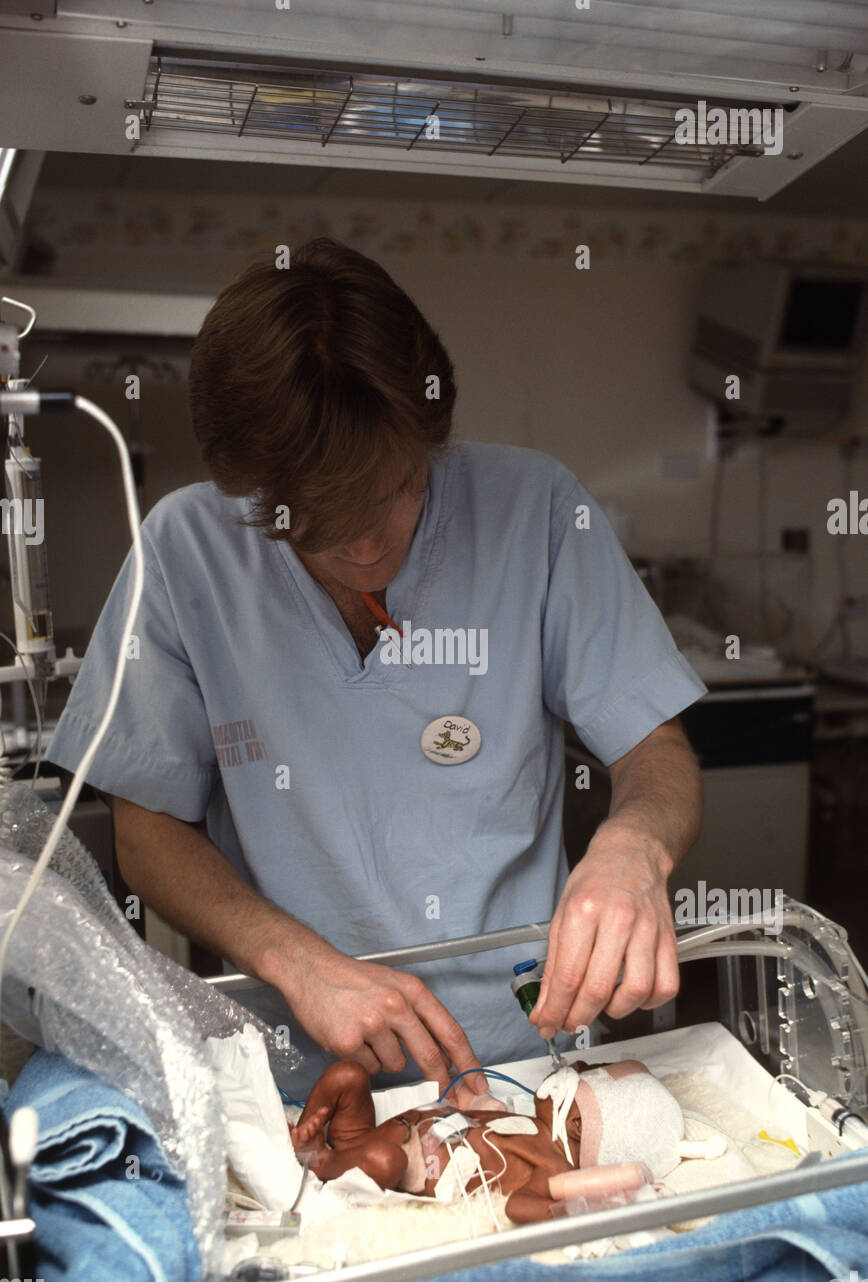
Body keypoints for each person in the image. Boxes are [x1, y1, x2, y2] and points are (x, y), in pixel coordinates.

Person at [47, 237, 706, 1098]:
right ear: (245, 487)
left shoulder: (536, 514)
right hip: (295, 1071)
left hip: (528, 1051)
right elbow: (146, 834)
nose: (368, 542)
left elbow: (656, 752)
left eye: (400, 488)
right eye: (317, 518)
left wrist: (634, 846)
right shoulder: (185, 554)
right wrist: (299, 961)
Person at [288, 1056, 664, 1226]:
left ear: (578, 1124)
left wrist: (577, 1211)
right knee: (348, 1074)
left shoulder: (556, 1166)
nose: (573, 1066)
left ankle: (323, 1161)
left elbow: (518, 1207)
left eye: (582, 1073)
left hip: (398, 1166)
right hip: (370, 1134)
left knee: (386, 1160)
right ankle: (317, 1135)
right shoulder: (524, 1118)